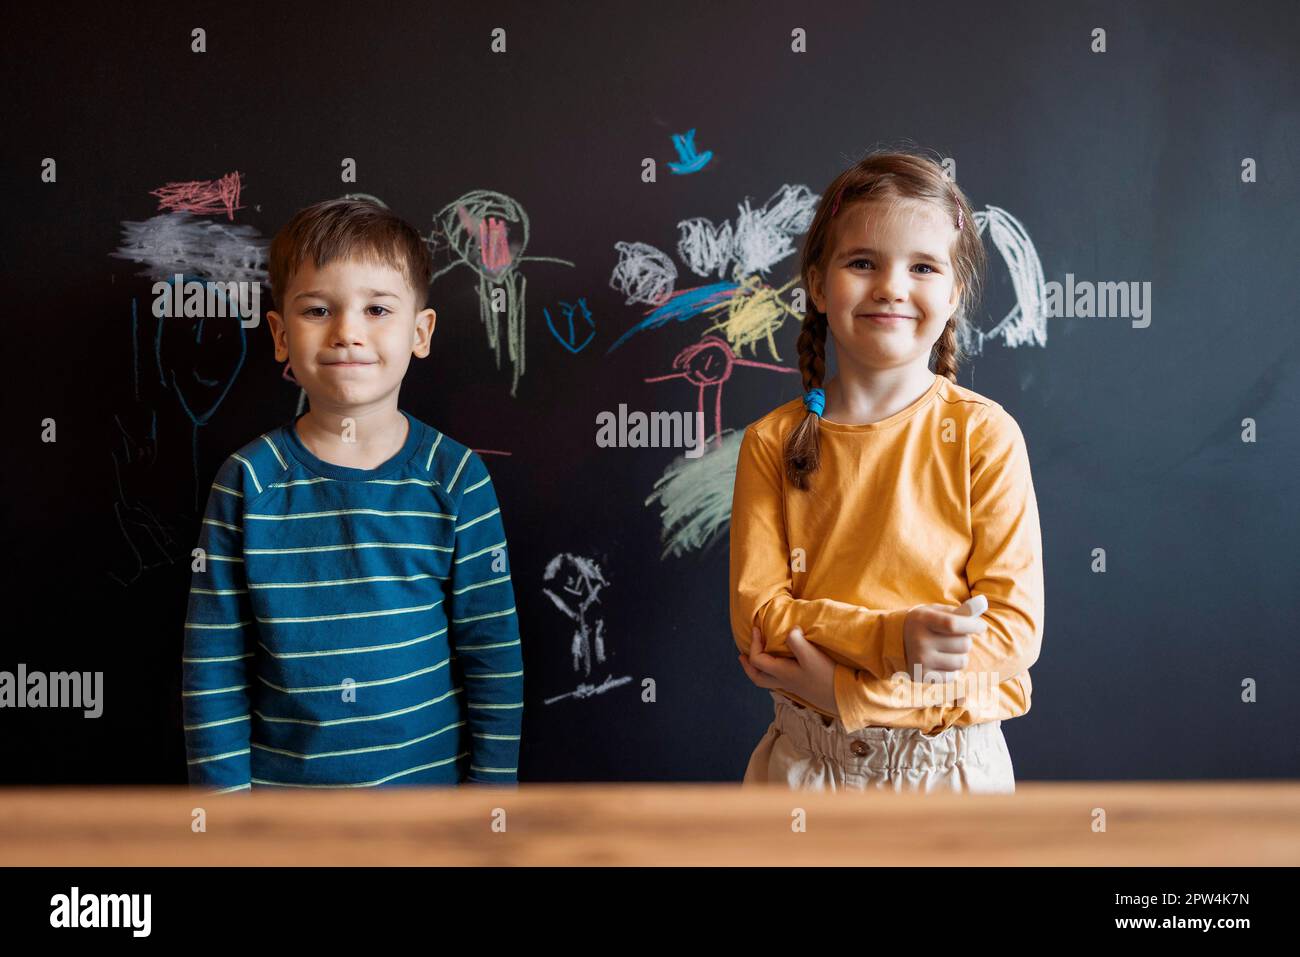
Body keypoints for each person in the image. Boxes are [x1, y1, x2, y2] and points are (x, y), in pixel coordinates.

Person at [181, 199, 523, 792]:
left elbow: (491, 652)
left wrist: (491, 804)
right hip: (282, 820)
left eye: (377, 309)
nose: (347, 333)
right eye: (318, 309)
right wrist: (224, 822)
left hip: (427, 819)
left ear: (420, 332)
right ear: (281, 336)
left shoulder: (456, 478)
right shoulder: (248, 482)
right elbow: (215, 667)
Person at [730, 150, 1044, 793]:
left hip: (951, 776)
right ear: (819, 286)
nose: (891, 286)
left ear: (954, 293)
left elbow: (1009, 641)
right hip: (805, 773)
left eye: (923, 266)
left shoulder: (985, 437)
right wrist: (893, 639)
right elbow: (760, 621)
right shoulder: (772, 443)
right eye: (862, 262)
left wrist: (851, 693)